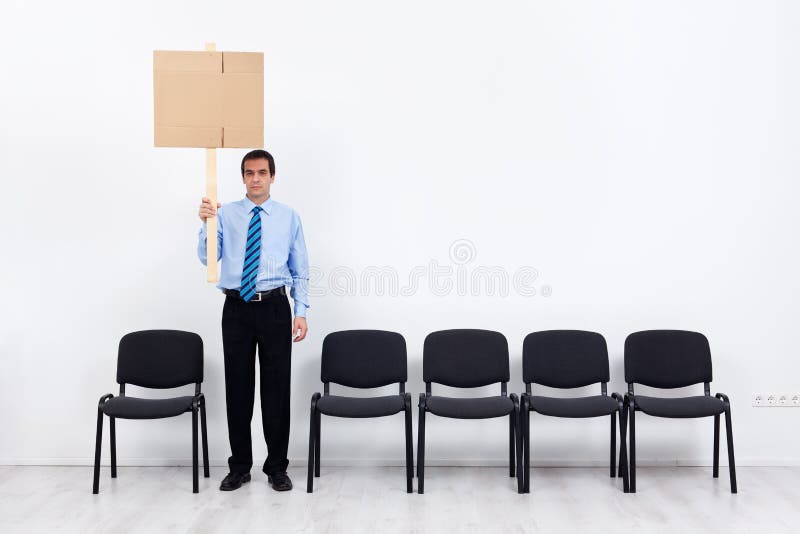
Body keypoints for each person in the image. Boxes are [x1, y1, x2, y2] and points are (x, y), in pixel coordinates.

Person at [197, 149, 309, 492]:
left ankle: (277, 466)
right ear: (243, 177)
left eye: (262, 172)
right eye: (249, 173)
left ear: (273, 176)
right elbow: (207, 258)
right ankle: (240, 466)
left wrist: (301, 311)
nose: (256, 178)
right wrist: (205, 225)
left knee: (276, 389)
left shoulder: (289, 217)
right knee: (239, 389)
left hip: (275, 307)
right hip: (237, 309)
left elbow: (300, 268)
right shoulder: (225, 213)